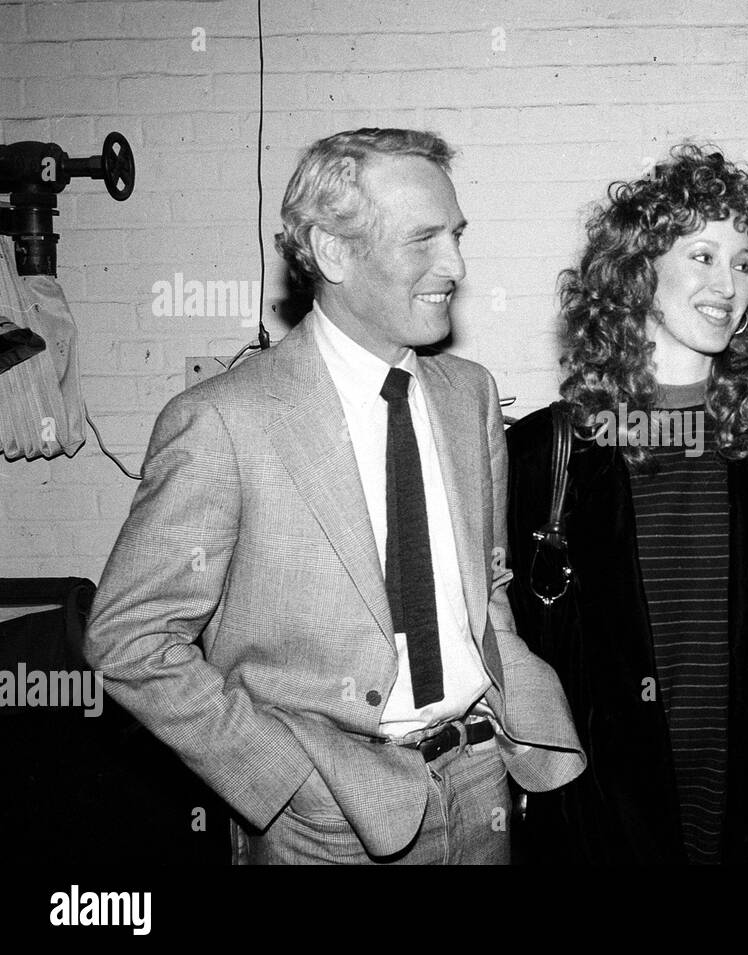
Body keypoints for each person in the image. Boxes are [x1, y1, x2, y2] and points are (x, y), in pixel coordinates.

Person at [83, 128, 585, 864]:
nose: (456, 265)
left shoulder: (468, 395)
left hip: (483, 784)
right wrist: (283, 780)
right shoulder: (224, 419)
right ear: (334, 251)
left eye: (456, 235)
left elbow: (487, 579)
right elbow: (129, 639)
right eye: (424, 239)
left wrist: (501, 708)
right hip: (325, 820)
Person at [506, 144, 748, 864]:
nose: (730, 283)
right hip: (611, 814)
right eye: (702, 255)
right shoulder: (553, 449)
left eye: (746, 263)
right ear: (638, 272)